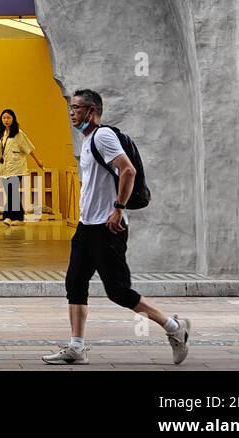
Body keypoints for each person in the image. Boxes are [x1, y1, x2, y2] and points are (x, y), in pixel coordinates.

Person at [43, 89, 192, 365]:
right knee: (75, 282)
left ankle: (173, 327)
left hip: (107, 228)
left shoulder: (103, 136)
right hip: (87, 227)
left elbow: (128, 170)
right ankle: (76, 347)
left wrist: (119, 207)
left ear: (92, 111)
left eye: (76, 108)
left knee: (118, 291)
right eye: (71, 108)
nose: (71, 113)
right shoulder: (87, 140)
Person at [0, 109, 44, 225]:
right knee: (10, 193)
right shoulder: (0, 133)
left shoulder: (19, 133)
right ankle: (17, 218)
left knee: (12, 191)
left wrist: (38, 161)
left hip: (17, 168)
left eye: (8, 118)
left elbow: (29, 149)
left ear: (13, 119)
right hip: (4, 168)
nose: (6, 120)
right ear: (1, 119)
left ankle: (10, 217)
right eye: (4, 118)